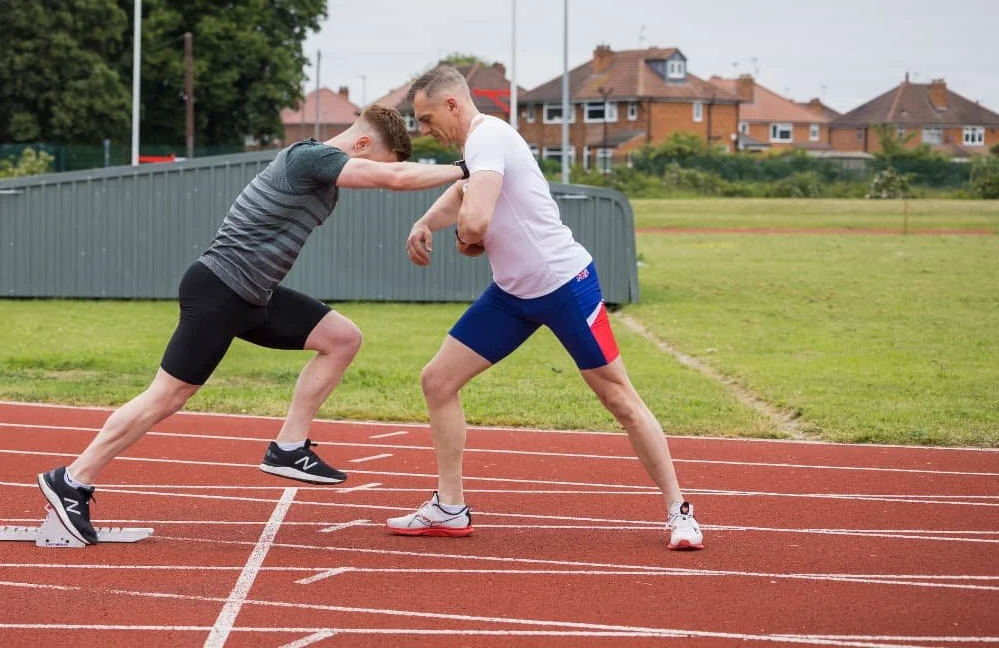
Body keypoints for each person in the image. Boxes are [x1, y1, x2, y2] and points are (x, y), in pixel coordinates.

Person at [38, 104, 472, 545]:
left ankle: (288, 447)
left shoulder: (324, 175)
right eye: (370, 163)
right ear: (361, 145)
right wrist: (466, 168)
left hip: (254, 296)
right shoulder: (311, 157)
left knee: (342, 338)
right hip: (220, 290)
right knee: (166, 396)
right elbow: (395, 179)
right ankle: (72, 479)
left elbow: (391, 175)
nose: (370, 176)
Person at [385, 65, 704, 550]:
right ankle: (450, 508)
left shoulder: (487, 138)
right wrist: (426, 221)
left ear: (452, 104)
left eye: (427, 119)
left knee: (620, 399)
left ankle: (680, 512)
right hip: (513, 295)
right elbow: (463, 191)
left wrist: (468, 237)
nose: (424, 131)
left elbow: (475, 218)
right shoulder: (476, 147)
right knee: (438, 379)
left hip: (563, 286)